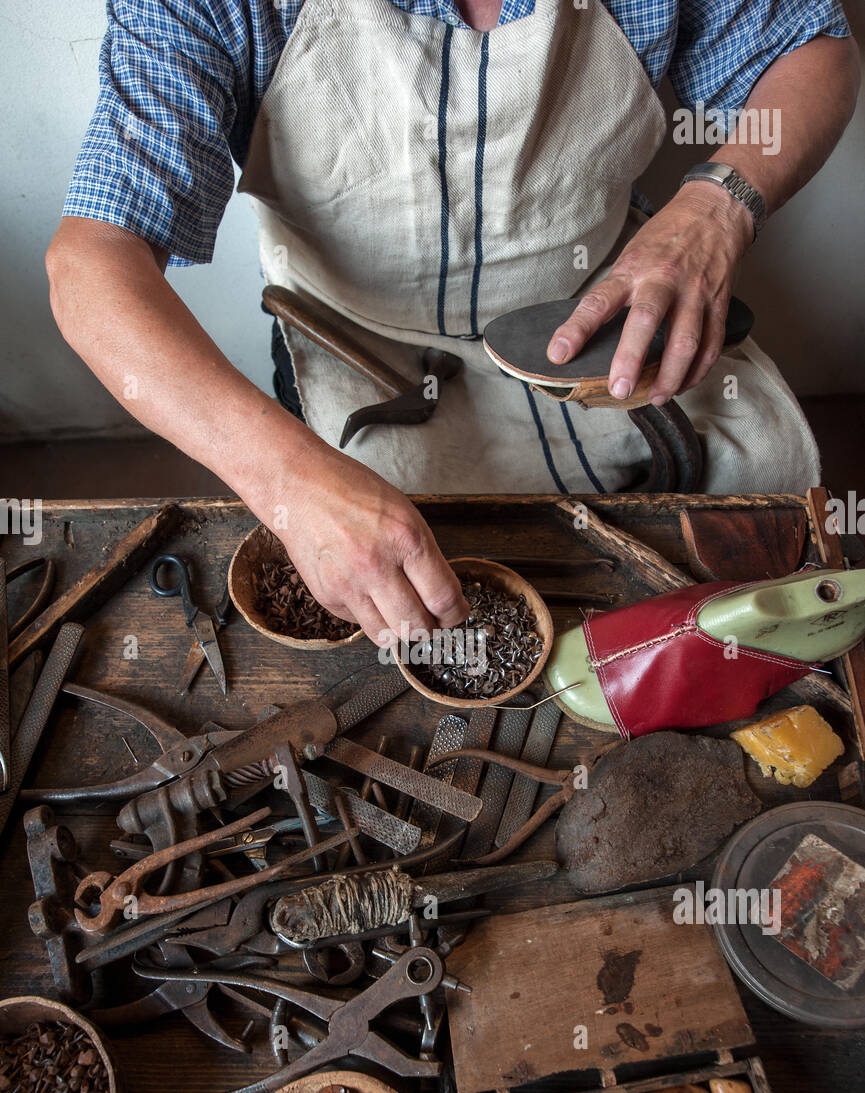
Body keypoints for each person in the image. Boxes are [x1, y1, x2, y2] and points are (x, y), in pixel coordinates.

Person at [47, 1, 859, 645]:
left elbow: (813, 51)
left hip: (596, 309)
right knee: (407, 591)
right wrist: (287, 486)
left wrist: (719, 205)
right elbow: (91, 266)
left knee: (768, 485)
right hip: (358, 339)